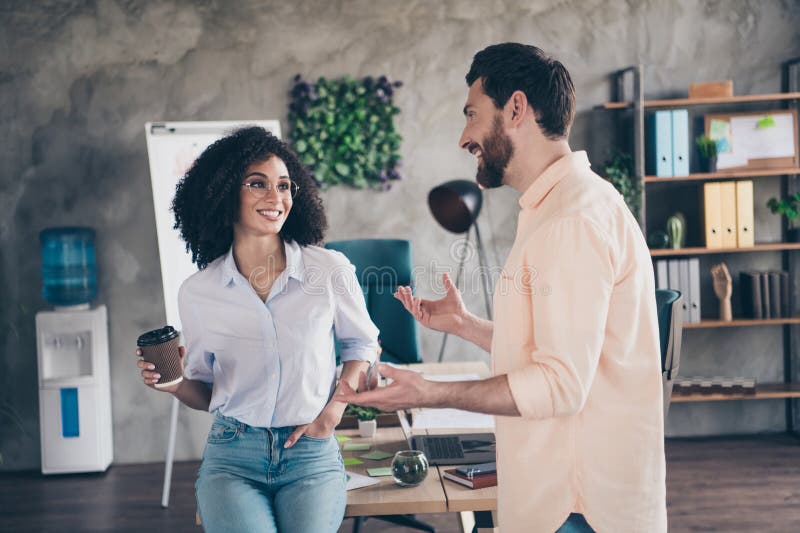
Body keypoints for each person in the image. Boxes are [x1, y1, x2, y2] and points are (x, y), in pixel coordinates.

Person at [339, 43, 667, 533]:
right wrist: (468, 326)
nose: (464, 137)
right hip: (569, 499)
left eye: (472, 114)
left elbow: (560, 386)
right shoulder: (562, 206)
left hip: (576, 508)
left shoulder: (571, 222)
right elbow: (569, 350)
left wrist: (428, 392)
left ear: (515, 108)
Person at [136, 126, 378, 533]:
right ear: (225, 193)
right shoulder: (199, 292)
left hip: (310, 453)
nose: (276, 197)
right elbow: (206, 391)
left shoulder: (328, 270)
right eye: (257, 184)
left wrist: (333, 413)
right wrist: (174, 384)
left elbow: (362, 344)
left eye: (284, 185)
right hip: (233, 458)